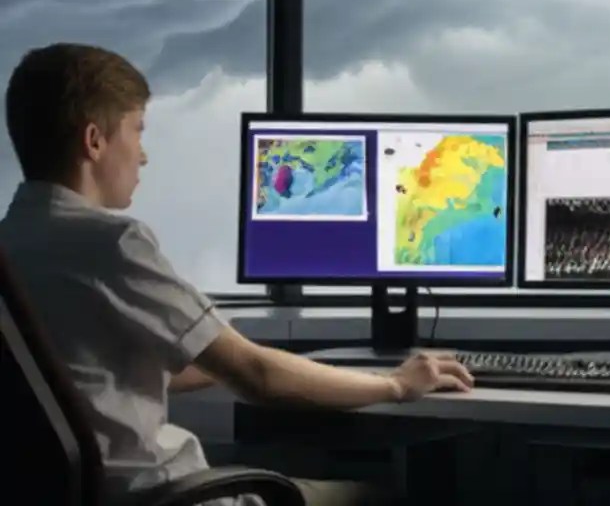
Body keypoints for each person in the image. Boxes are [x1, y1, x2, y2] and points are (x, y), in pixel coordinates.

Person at [0, 43, 474, 506]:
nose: (143, 156)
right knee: (380, 496)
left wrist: (231, 354)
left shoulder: (11, 243)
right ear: (94, 141)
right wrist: (396, 385)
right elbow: (257, 377)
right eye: (137, 131)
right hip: (162, 495)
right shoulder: (112, 244)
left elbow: (89, 374)